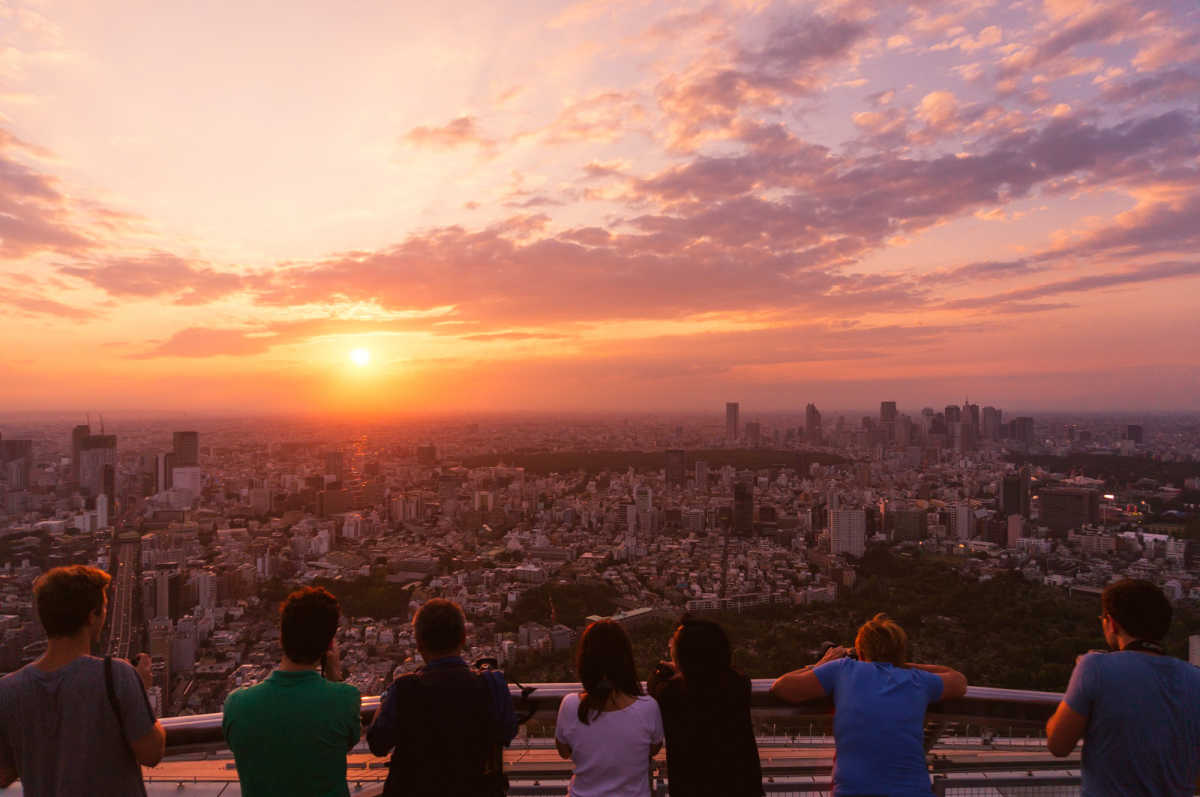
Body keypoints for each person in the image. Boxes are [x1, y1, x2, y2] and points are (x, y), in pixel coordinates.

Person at [0, 564, 165, 796]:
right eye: (104, 608)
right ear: (92, 616)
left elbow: (4, 774)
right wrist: (140, 688)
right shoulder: (116, 676)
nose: (105, 615)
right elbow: (151, 753)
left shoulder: (8, 690)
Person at [770, 613, 967, 797]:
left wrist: (823, 663)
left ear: (861, 652)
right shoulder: (917, 679)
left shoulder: (843, 670)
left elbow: (782, 687)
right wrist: (903, 665)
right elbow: (958, 681)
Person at [1046, 578, 1200, 795]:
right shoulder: (1195, 678)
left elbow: (1058, 745)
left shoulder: (1095, 668)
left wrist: (1080, 679)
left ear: (1112, 623)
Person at [367, 598, 517, 796]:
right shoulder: (491, 684)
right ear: (463, 638)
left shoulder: (405, 689)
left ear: (419, 644)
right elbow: (507, 732)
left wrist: (386, 700)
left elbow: (378, 744)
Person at [223, 586, 361, 797]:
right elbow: (345, 743)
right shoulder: (345, 698)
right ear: (329, 645)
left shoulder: (238, 705)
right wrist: (334, 675)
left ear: (282, 638)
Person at [648, 617, 762, 797]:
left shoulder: (671, 694)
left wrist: (669, 671)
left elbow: (654, 684)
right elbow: (721, 674)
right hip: (742, 788)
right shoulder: (738, 685)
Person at [555, 620, 664, 797]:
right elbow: (652, 749)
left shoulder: (570, 705)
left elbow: (564, 752)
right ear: (626, 660)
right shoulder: (648, 707)